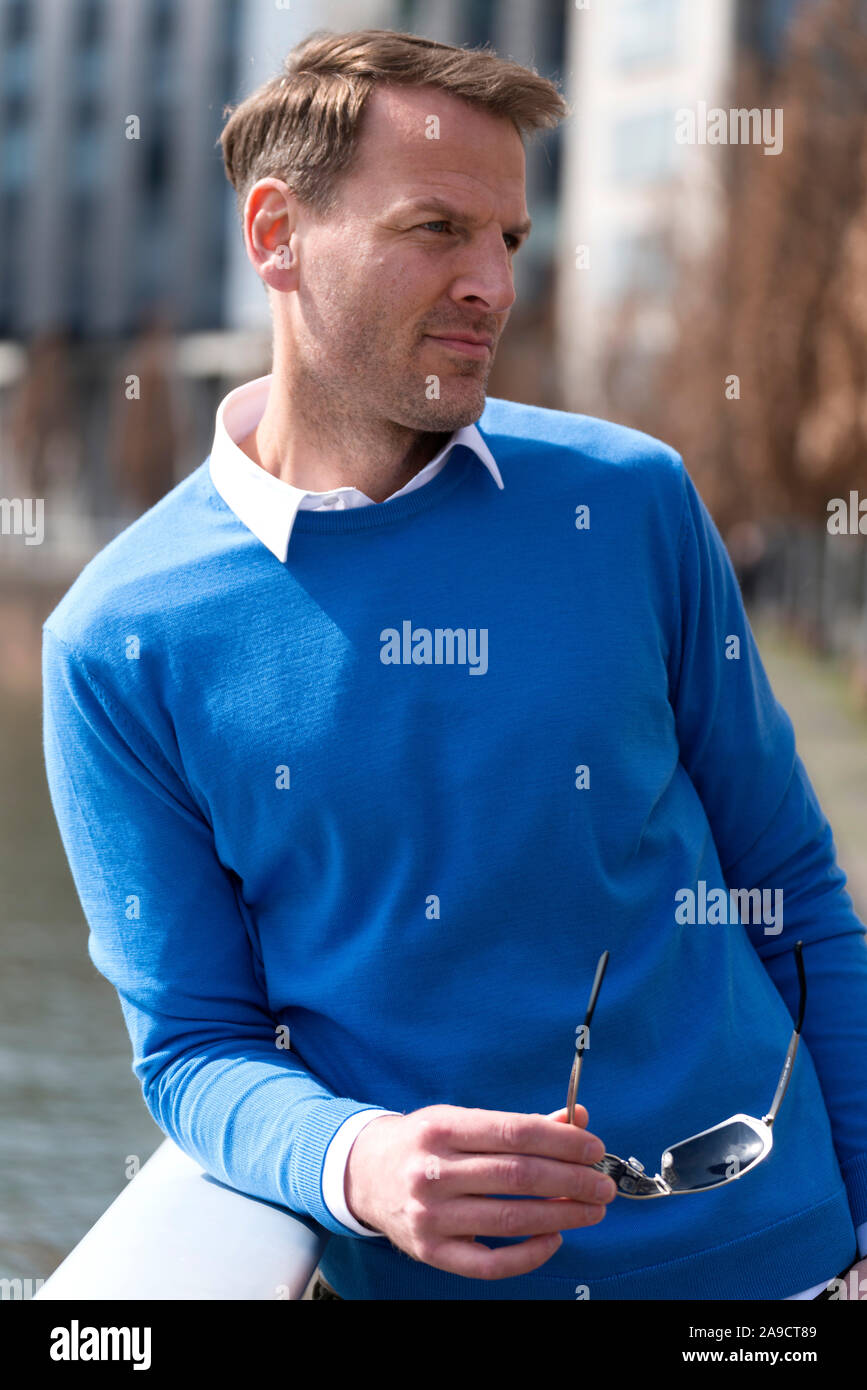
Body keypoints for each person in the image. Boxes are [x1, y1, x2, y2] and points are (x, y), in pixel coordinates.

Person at [42, 28, 867, 1301]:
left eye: (511, 240)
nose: (493, 282)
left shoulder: (631, 500)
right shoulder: (119, 637)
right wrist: (360, 1159)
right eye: (437, 228)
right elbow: (196, 1046)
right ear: (276, 235)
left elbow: (793, 896)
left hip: (780, 1273)